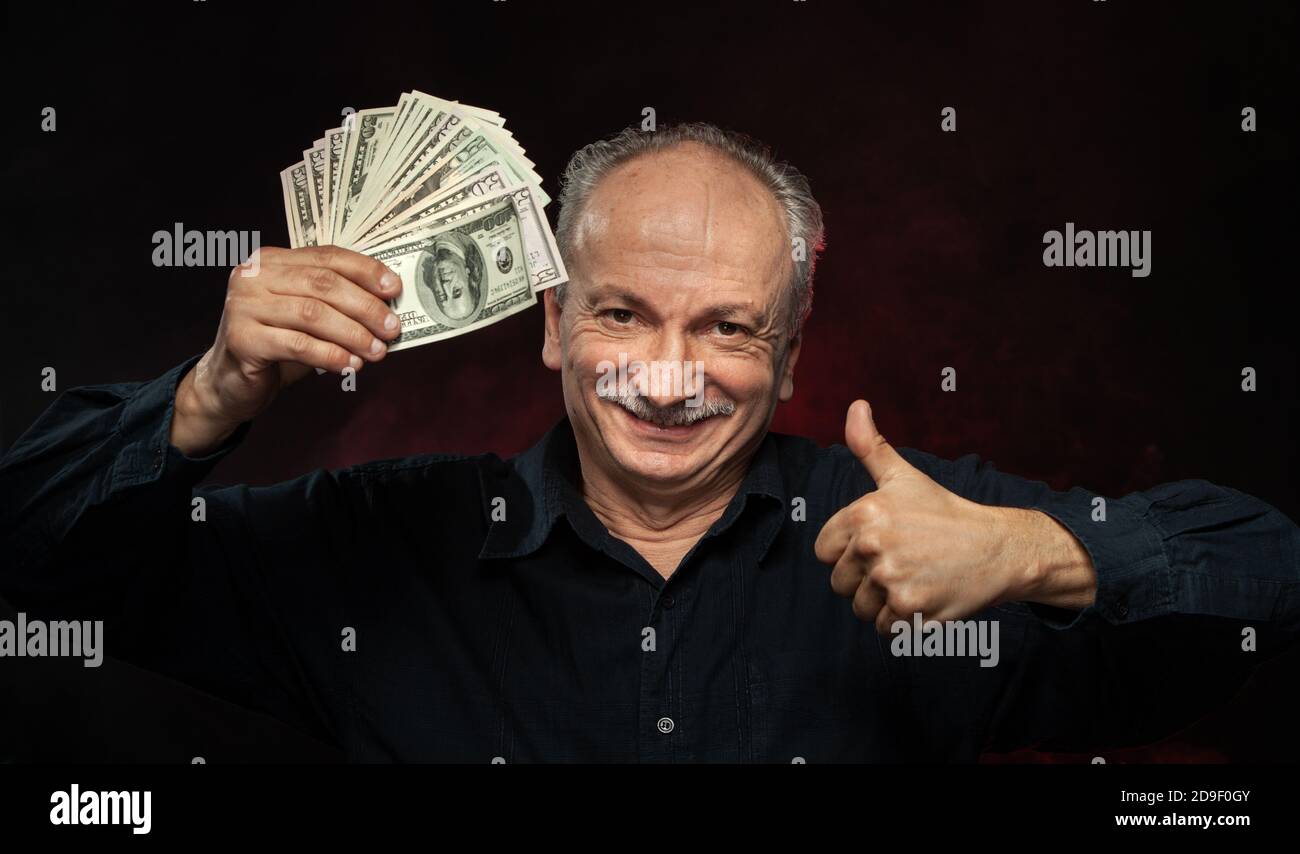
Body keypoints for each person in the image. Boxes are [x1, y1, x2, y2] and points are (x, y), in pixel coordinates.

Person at [2, 123, 1296, 762]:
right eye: (623, 311)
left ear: (792, 355)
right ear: (553, 323)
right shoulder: (375, 548)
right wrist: (209, 393)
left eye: (727, 327)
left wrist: (1044, 553)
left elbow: (1273, 576)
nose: (669, 375)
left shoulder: (923, 538)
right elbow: (34, 559)